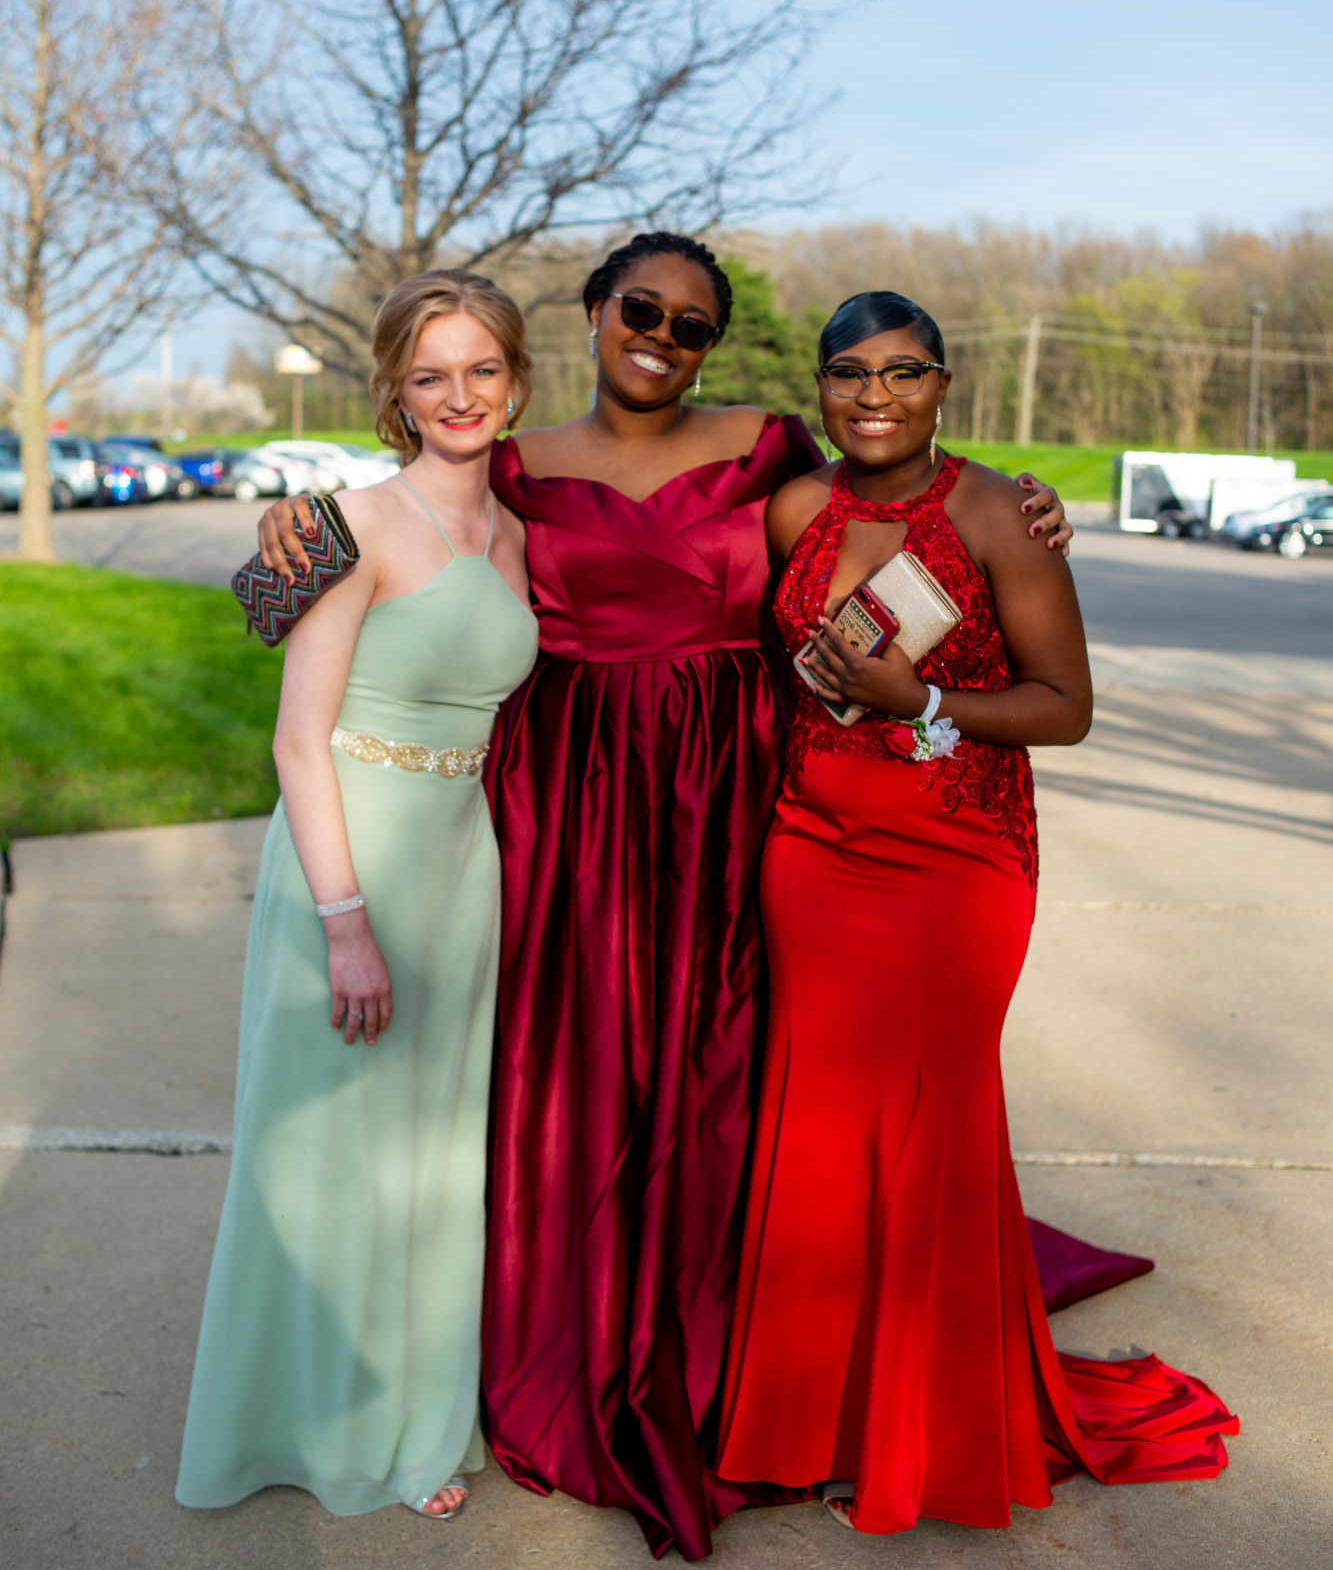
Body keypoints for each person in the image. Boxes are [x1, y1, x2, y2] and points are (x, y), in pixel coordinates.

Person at [256, 233, 1075, 1560]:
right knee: (559, 1080)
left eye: (692, 325)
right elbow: (290, 593)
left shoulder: (768, 457)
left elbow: (902, 493)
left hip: (721, 796)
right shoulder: (507, 466)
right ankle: (550, 1349)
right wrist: (287, 529)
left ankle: (718, 1371)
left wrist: (1022, 503)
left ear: (714, 344)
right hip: (561, 803)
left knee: (716, 1080)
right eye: (639, 310)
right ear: (592, 314)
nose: (661, 337)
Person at [713, 291, 1239, 1535]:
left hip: (956, 861)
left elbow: (1064, 703)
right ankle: (809, 1421)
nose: (875, 396)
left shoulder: (1001, 510)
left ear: (946, 385)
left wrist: (920, 700)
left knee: (927, 1124)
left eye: (904, 373)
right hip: (810, 854)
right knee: (822, 1125)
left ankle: (917, 1427)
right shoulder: (796, 507)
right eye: (849, 373)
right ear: (821, 388)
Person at [177, 271, 538, 1521]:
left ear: (514, 379)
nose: (459, 394)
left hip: (458, 864)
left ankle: (415, 1420)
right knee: (324, 1151)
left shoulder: (519, 534)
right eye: (430, 373)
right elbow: (296, 740)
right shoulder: (343, 523)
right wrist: (344, 924)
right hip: (349, 862)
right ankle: (301, 1422)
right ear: (393, 391)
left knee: (431, 1158)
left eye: (480, 368)